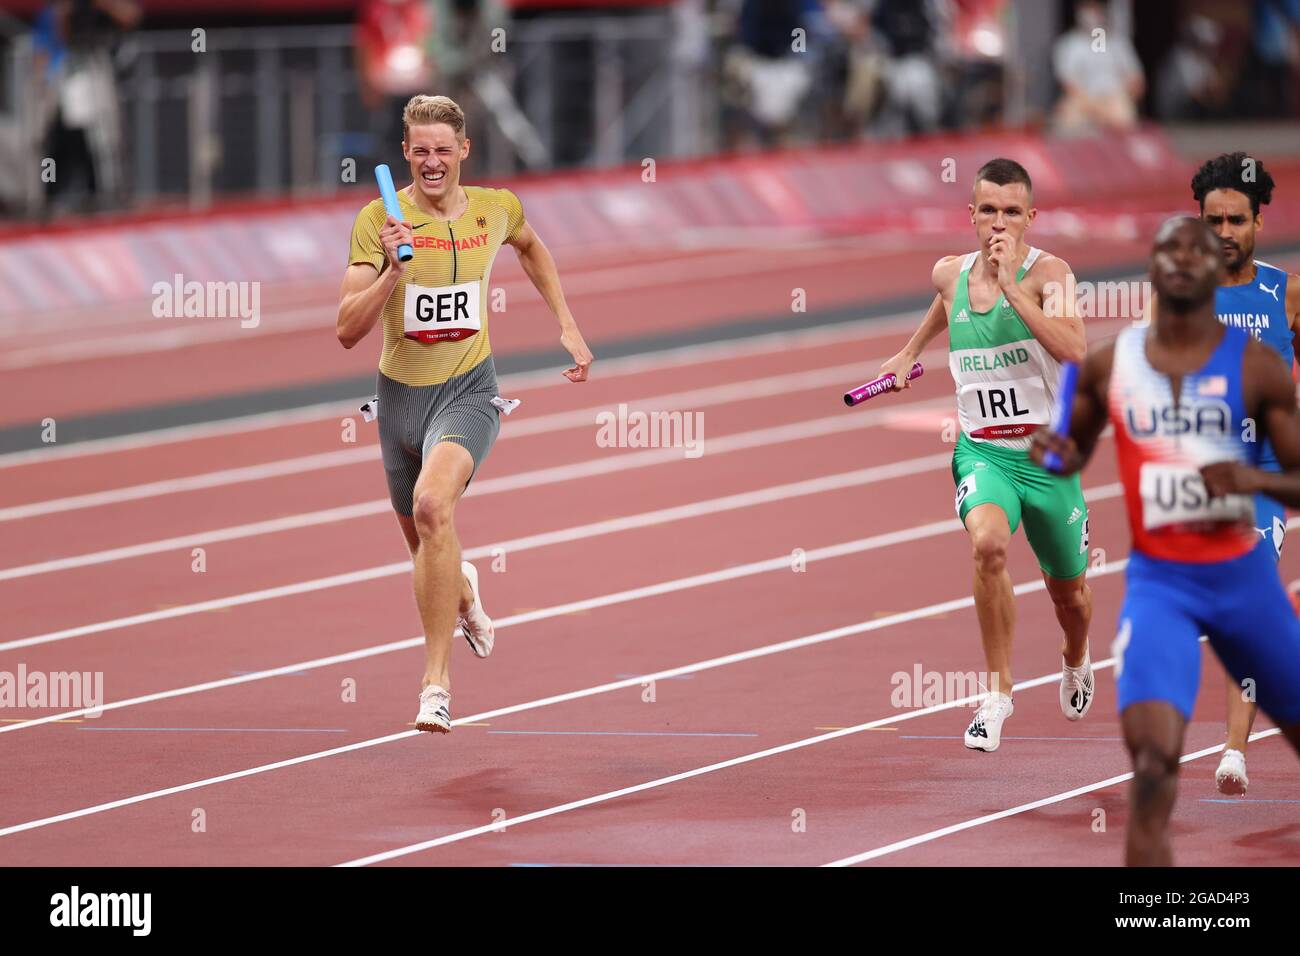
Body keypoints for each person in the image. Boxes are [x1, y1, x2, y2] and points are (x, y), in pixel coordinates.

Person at [1031, 216, 1300, 866]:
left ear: (1218, 269)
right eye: (1169, 249)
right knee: (1152, 765)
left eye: (1197, 249)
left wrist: (1245, 476)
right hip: (1162, 588)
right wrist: (1056, 455)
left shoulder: (1260, 369)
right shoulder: (1108, 363)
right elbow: (1067, 452)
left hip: (1243, 582)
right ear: (1151, 268)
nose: (1182, 258)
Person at [337, 95, 594, 733]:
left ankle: (435, 687)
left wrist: (566, 322)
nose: (431, 162)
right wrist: (391, 275)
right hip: (398, 401)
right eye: (419, 150)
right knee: (426, 546)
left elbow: (531, 247)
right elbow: (345, 330)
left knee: (432, 509)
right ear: (405, 152)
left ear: (464, 153)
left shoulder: (494, 208)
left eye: (442, 151)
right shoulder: (378, 220)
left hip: (470, 391)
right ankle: (465, 590)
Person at [879, 158, 1093, 752]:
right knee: (989, 544)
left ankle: (1075, 656)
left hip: (1048, 461)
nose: (999, 223)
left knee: (1070, 599)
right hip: (984, 454)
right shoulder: (949, 274)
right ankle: (998, 693)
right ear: (970, 215)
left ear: (1031, 217)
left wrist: (1010, 290)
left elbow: (1075, 348)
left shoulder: (1051, 273)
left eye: (1011, 212)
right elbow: (946, 307)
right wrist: (907, 353)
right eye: (988, 211)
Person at [1189, 153, 1300, 794]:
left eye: (1236, 219)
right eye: (1213, 220)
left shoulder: (1286, 293)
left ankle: (1233, 752)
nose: (1224, 232)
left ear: (1259, 221)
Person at [1051, 0, 1143, 134]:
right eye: (1087, 8)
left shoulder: (1118, 43)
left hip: (1114, 100)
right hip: (1083, 101)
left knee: (1123, 116)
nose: (1091, 15)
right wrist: (1093, 107)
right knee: (1067, 120)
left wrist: (1120, 99)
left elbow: (1137, 82)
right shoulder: (1068, 44)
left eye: (1095, 9)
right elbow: (1067, 82)